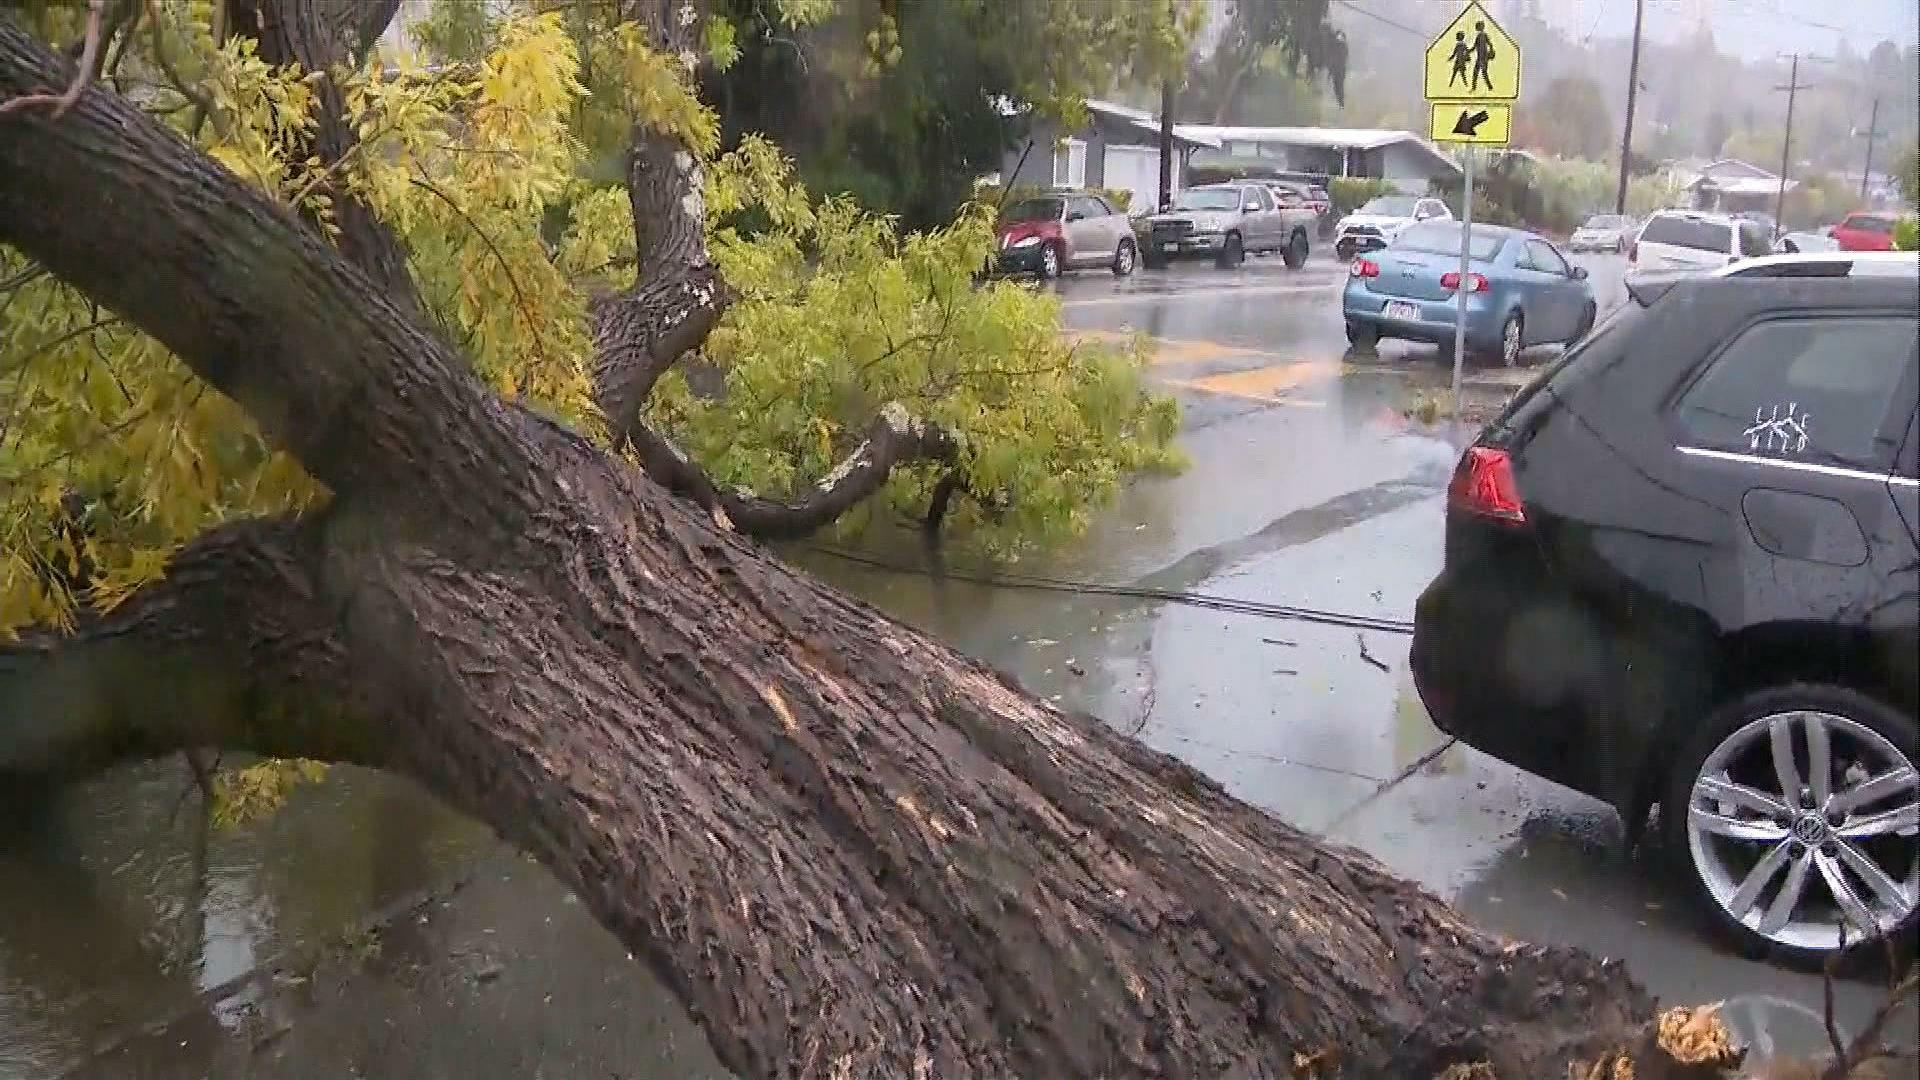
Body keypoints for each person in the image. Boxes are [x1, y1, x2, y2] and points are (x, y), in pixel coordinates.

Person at [1471, 21, 1496, 92]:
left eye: (1477, 26)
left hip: (1482, 58)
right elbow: (1474, 47)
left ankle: (1489, 87)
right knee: (1479, 73)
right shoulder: (1479, 36)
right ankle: (1488, 87)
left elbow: (1489, 45)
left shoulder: (1483, 35)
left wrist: (1488, 54)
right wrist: (1467, 51)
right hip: (1481, 58)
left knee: (1481, 73)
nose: (1476, 27)